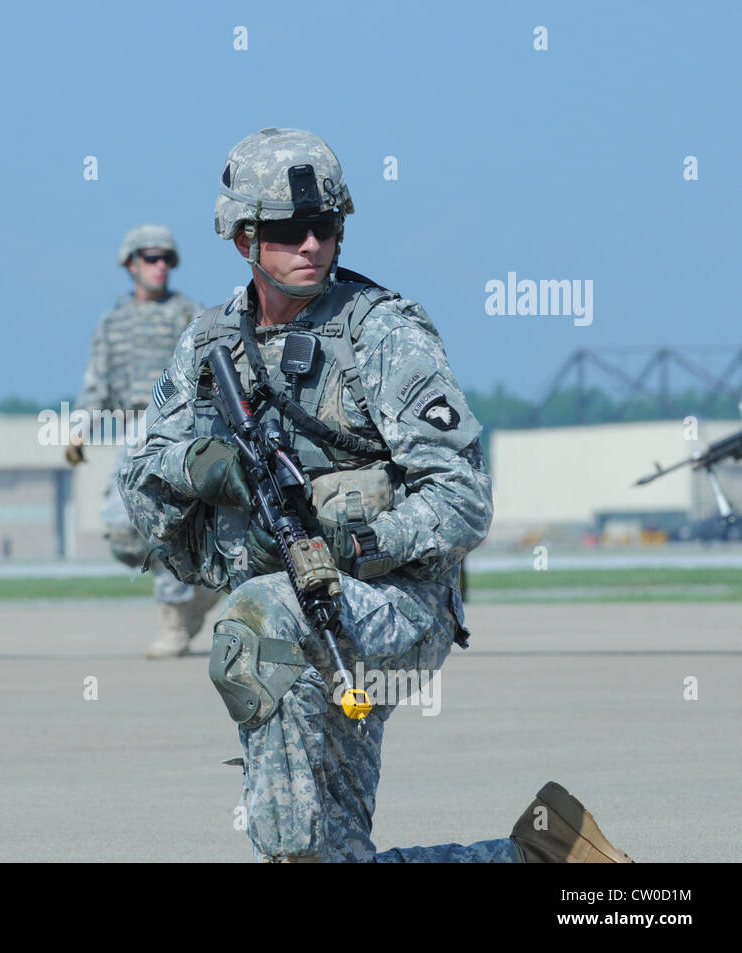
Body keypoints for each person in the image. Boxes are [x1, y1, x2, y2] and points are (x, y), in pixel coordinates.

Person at [118, 128, 633, 862]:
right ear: (242, 239)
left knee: (253, 624)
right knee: (335, 853)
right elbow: (139, 491)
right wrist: (198, 466)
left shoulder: (384, 334)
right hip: (292, 625)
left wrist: (356, 541)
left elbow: (462, 497)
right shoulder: (208, 349)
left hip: (388, 609)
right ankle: (538, 856)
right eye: (288, 230)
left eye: (325, 226)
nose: (311, 245)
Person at [68, 224, 220, 657]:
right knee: (121, 530)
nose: (159, 267)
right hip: (134, 430)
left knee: (166, 521)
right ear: (131, 264)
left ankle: (174, 621)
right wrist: (79, 429)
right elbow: (96, 382)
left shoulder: (190, 314)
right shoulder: (113, 323)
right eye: (151, 259)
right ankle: (201, 588)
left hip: (180, 428)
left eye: (166, 260)